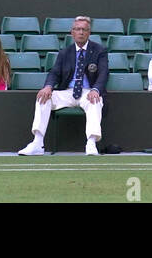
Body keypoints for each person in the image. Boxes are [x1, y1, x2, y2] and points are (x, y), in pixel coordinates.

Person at [19, 16, 108, 156]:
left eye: (84, 30)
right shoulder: (65, 52)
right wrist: (48, 86)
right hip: (67, 92)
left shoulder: (99, 50)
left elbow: (103, 73)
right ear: (72, 32)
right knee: (43, 97)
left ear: (89, 33)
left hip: (87, 92)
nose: (81, 32)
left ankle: (91, 143)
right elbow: (55, 72)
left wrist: (96, 89)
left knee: (95, 100)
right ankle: (37, 142)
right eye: (77, 29)